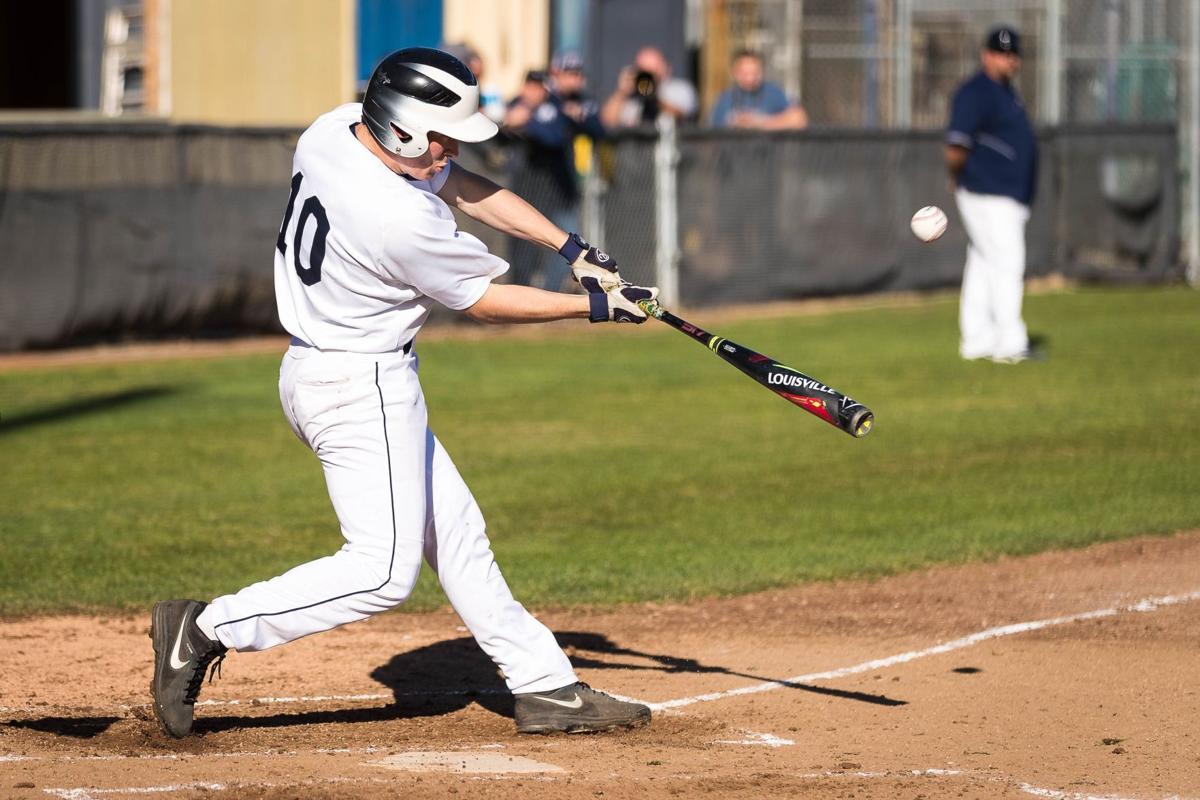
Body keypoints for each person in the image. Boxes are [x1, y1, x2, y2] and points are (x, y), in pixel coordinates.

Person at [149, 47, 656, 739]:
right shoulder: (395, 217)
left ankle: (545, 687)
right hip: (360, 385)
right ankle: (205, 626)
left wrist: (572, 251)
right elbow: (483, 300)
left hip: (326, 370)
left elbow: (459, 183)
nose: (448, 150)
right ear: (400, 130)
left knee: (456, 535)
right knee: (384, 572)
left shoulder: (332, 131)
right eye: (440, 136)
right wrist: (595, 308)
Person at [945, 26, 1040, 364]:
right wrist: (956, 176)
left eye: (1012, 53)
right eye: (1001, 52)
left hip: (1003, 193)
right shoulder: (976, 92)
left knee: (984, 262)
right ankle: (1010, 342)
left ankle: (976, 340)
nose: (1008, 59)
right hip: (987, 191)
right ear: (986, 54)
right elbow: (957, 144)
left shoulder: (1006, 93)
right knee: (1007, 261)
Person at [504, 53, 605, 290]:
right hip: (526, 188)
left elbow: (557, 135)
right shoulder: (519, 105)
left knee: (567, 241)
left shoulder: (560, 106)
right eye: (531, 85)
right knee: (524, 244)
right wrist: (510, 121)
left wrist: (527, 122)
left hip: (561, 188)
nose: (536, 91)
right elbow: (500, 128)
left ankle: (549, 292)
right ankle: (523, 295)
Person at [600, 45, 697, 128]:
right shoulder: (632, 95)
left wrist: (653, 97)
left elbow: (682, 115)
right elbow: (607, 122)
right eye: (643, 70)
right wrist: (621, 93)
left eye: (652, 70)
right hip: (635, 148)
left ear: (665, 68)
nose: (648, 77)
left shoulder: (679, 88)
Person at [709, 50, 808, 130]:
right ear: (735, 73)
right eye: (745, 73)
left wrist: (760, 123)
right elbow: (714, 132)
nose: (750, 78)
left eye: (754, 72)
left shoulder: (774, 93)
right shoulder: (725, 99)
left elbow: (799, 119)